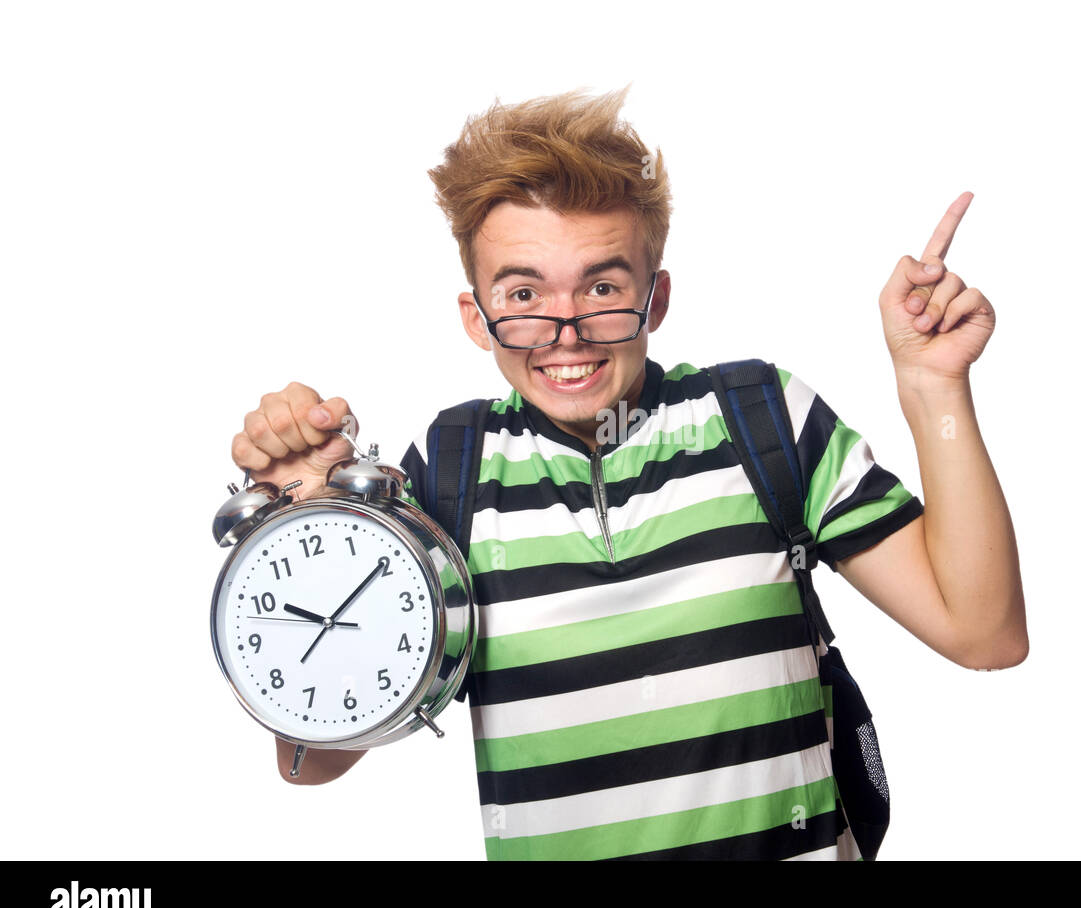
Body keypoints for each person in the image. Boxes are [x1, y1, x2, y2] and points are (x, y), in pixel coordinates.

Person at [231, 87, 1028, 860]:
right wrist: (308, 522)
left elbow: (984, 632)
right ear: (477, 316)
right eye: (524, 293)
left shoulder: (765, 418)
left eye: (603, 287)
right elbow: (314, 759)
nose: (566, 332)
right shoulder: (448, 470)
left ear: (657, 297)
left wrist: (934, 385)